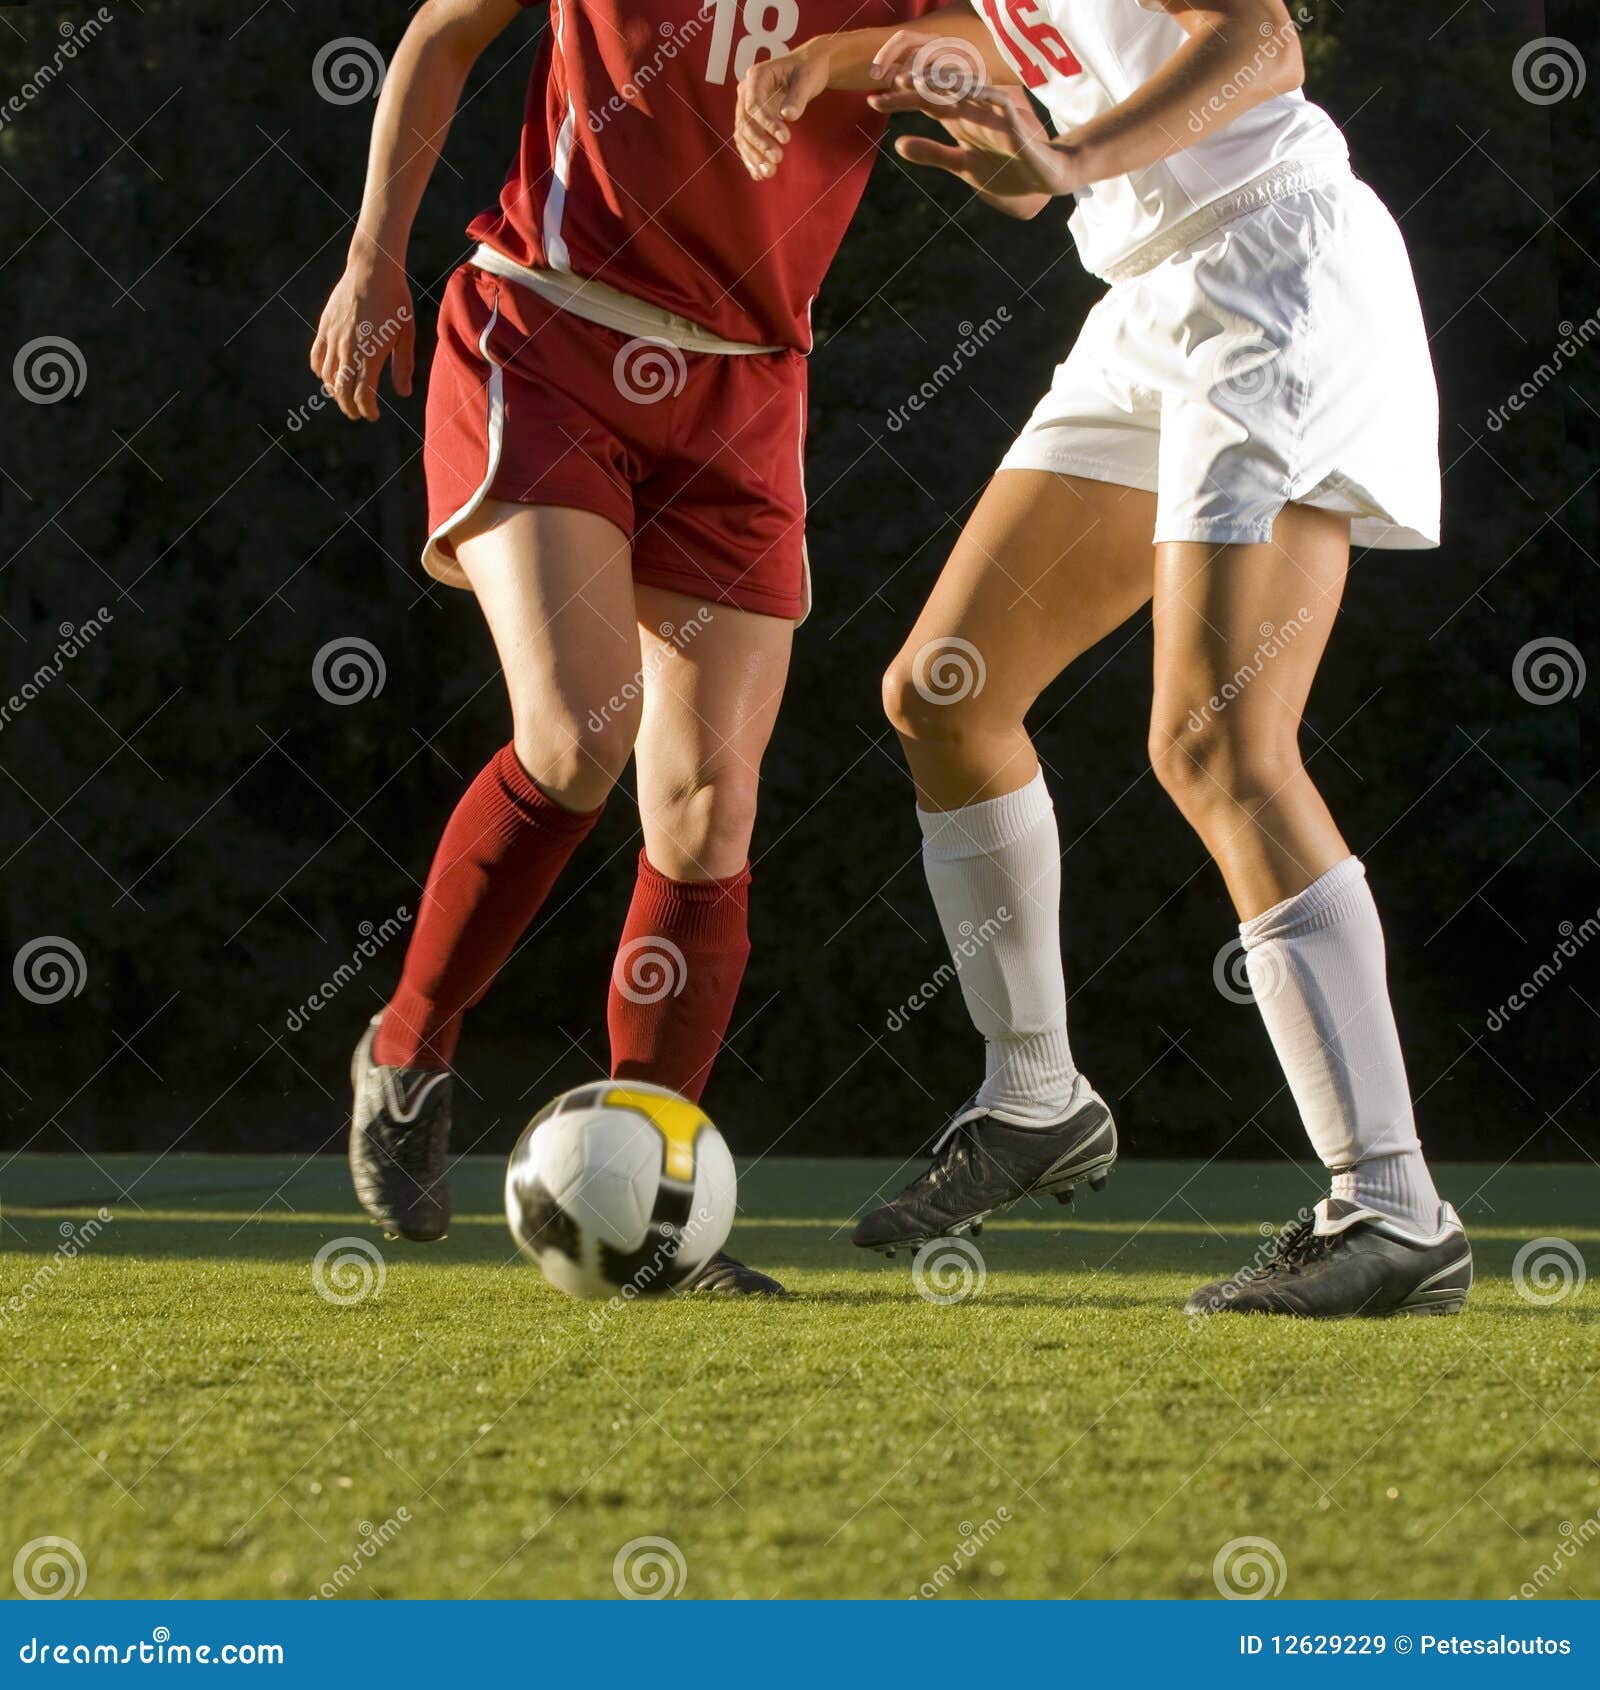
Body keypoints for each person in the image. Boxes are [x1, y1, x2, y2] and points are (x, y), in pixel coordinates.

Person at [736, 0, 1473, 1316]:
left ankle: (1394, 1208)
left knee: (1219, 744)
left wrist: (1069, 160)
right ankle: (1036, 1096)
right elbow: (1016, 76)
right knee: (943, 691)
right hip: (1150, 300)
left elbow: (1260, 40)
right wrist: (826, 74)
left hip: (1273, 269)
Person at [313, 0, 935, 1293]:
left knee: (708, 812)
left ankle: (649, 1216)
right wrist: (376, 254)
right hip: (547, 333)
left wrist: (972, 112)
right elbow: (441, 33)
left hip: (749, 386)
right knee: (583, 728)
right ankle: (410, 1047)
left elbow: (1002, 46)